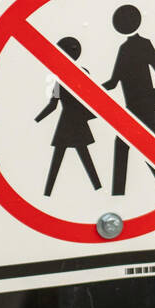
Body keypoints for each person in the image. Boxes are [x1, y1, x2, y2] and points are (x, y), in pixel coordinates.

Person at [102, 4, 155, 196]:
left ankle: (119, 192)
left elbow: (113, 82)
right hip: (139, 106)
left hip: (139, 105)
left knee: (131, 146)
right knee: (144, 147)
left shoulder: (127, 48)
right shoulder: (135, 46)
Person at [34, 37, 102, 197]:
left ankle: (48, 193)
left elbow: (53, 104)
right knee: (84, 158)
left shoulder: (57, 78)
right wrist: (35, 121)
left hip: (67, 122)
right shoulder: (81, 73)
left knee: (60, 160)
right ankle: (99, 190)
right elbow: (91, 100)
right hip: (77, 121)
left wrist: (36, 121)